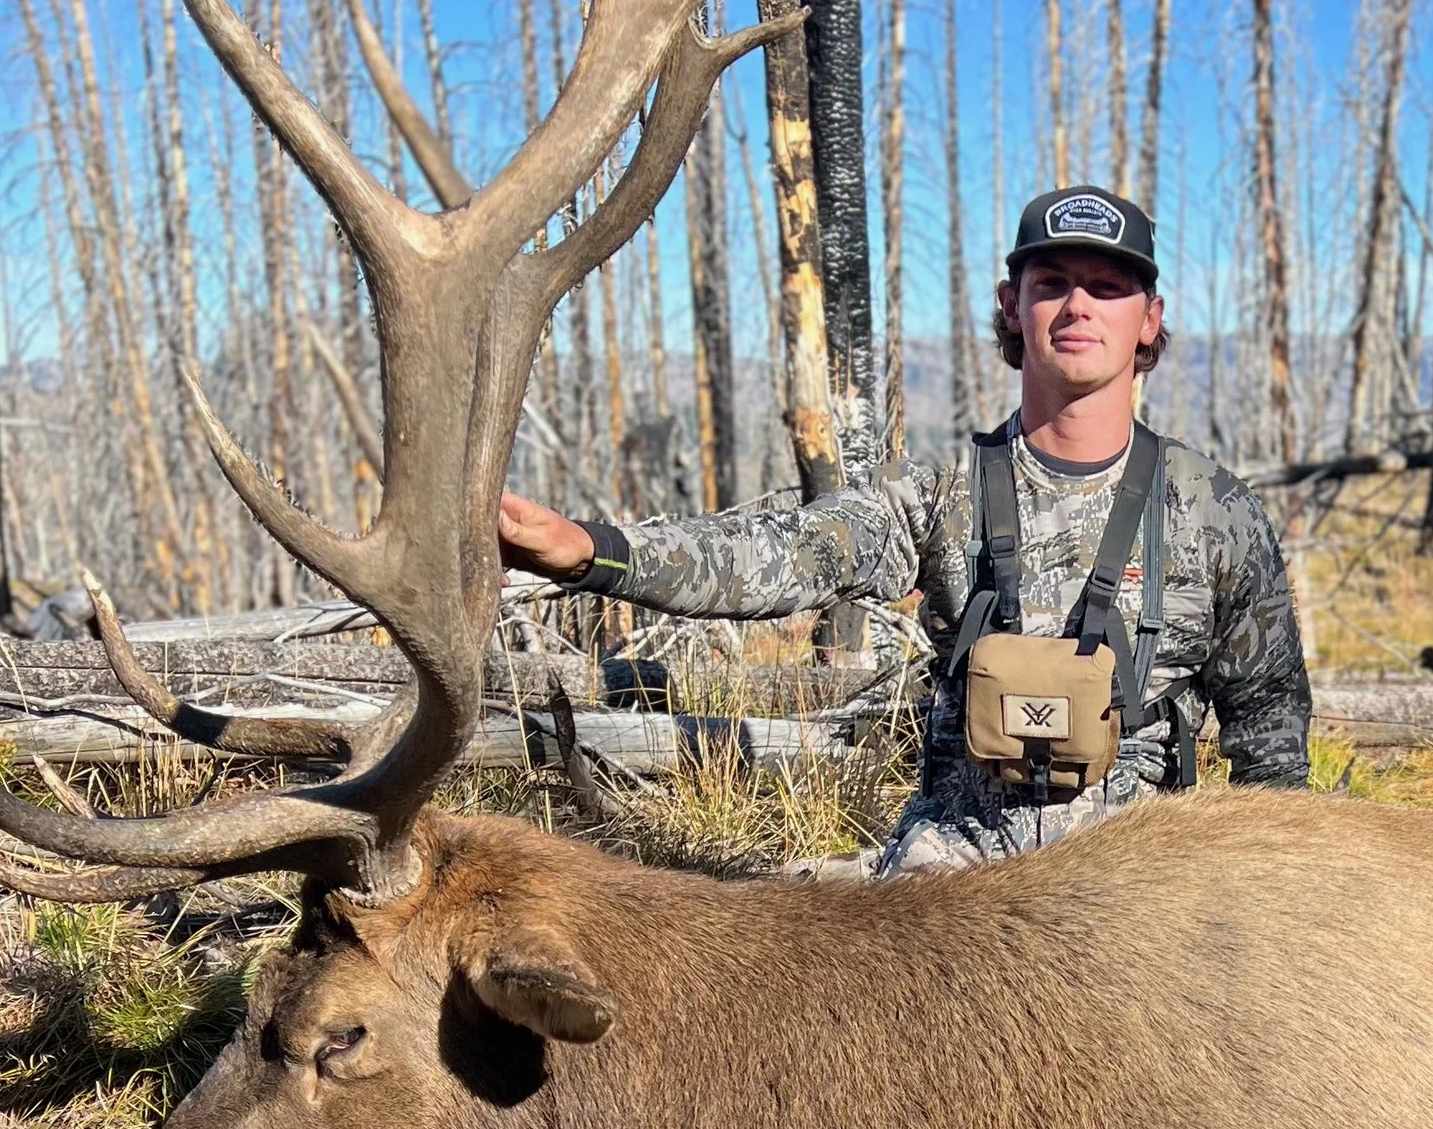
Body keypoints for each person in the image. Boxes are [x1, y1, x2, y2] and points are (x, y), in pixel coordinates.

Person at [498, 185, 1311, 871]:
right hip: (954, 878)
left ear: (1149, 318)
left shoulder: (1212, 511)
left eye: (1106, 288)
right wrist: (592, 552)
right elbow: (779, 553)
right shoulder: (937, 495)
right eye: (1053, 283)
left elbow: (1272, 736)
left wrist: (1274, 904)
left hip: (1140, 884)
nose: (1077, 306)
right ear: (1012, 306)